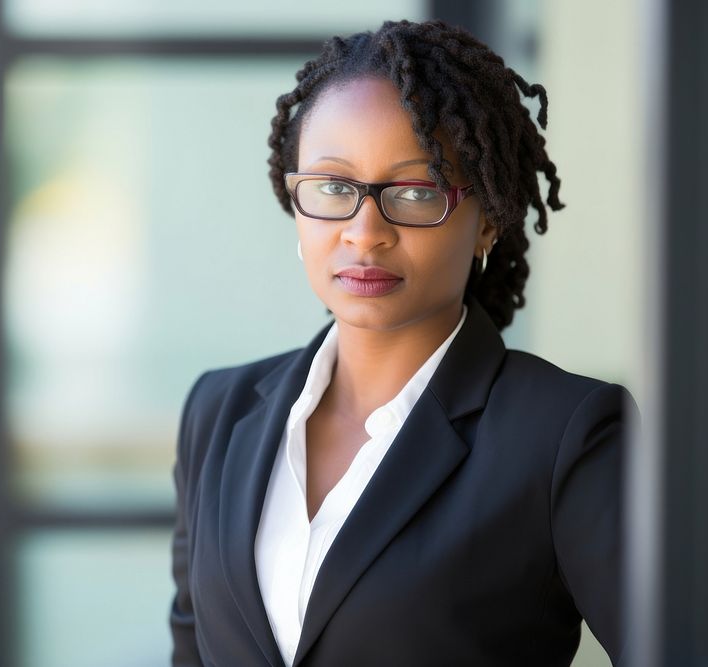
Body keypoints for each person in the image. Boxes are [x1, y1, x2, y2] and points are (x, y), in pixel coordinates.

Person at [169, 18, 638, 667]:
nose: (365, 231)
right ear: (294, 200)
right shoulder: (217, 411)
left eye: (416, 191)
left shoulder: (565, 436)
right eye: (334, 188)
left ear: (488, 221)